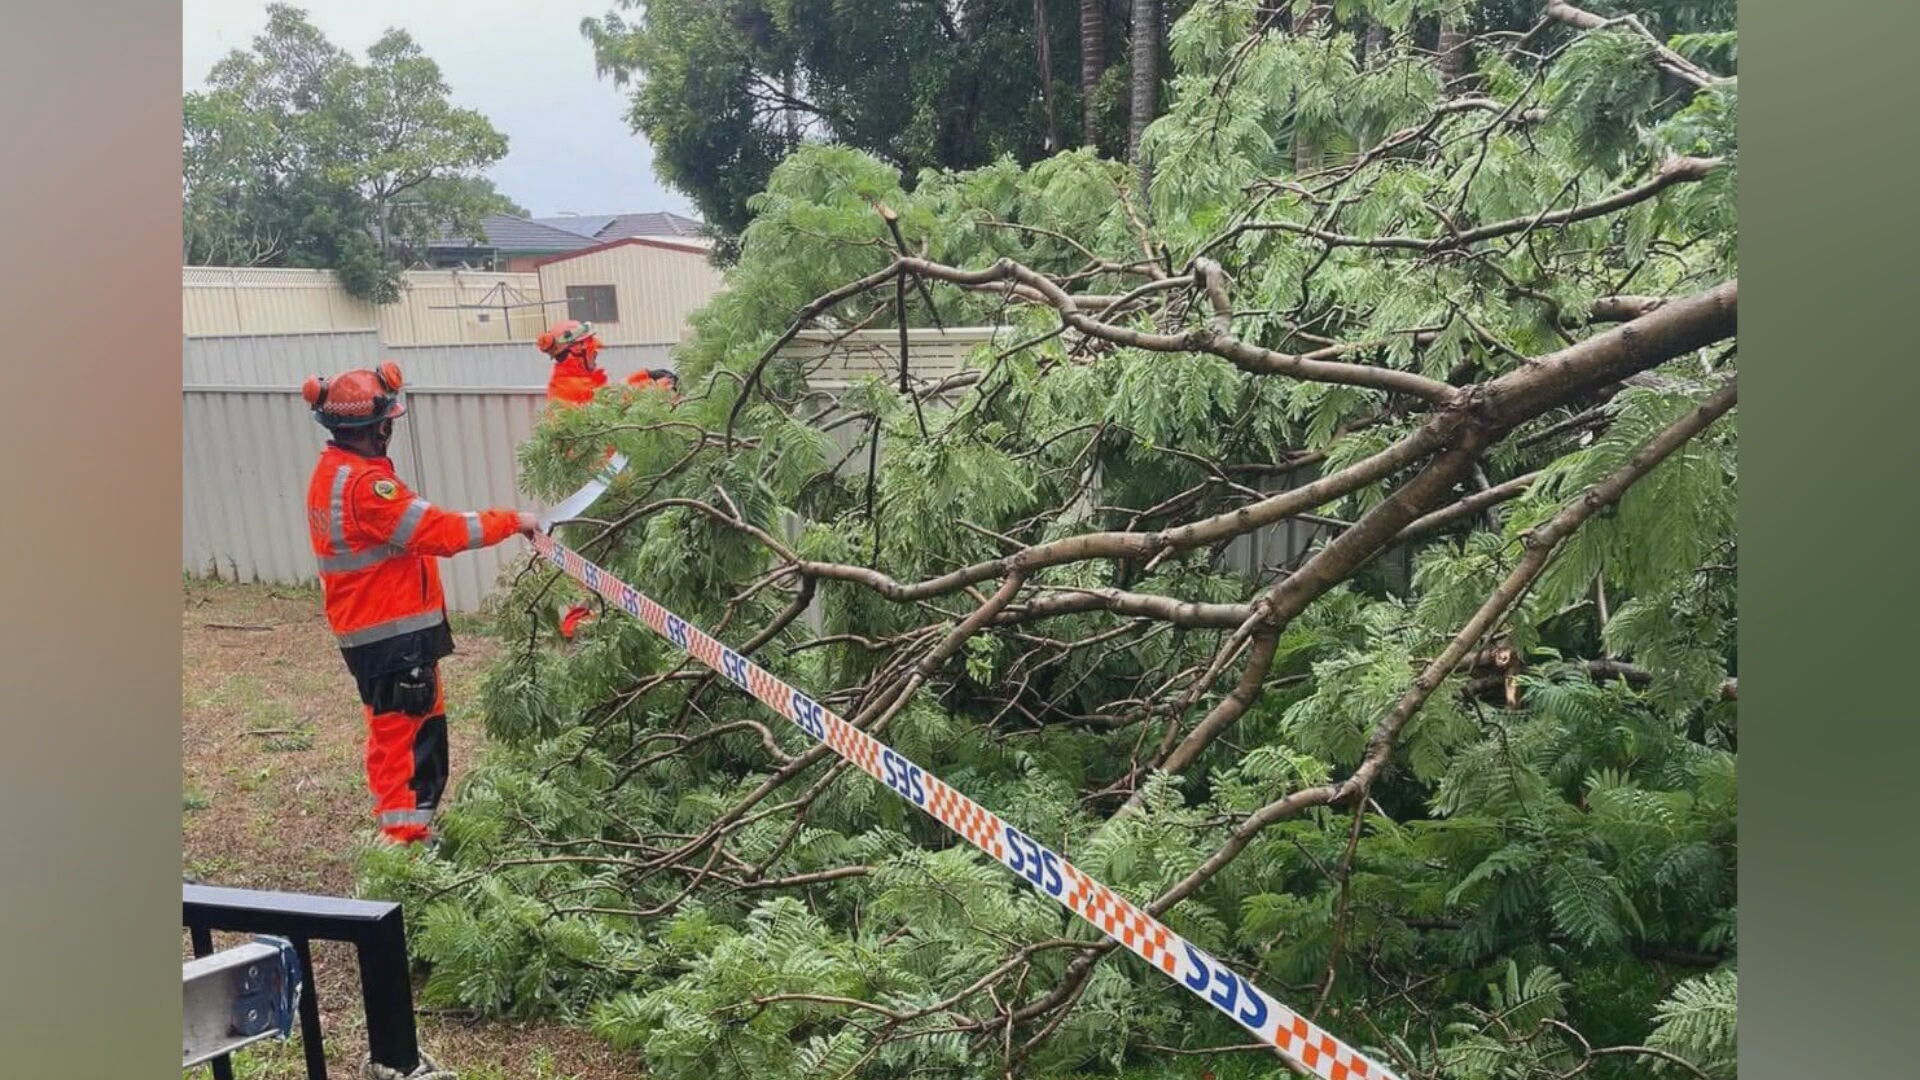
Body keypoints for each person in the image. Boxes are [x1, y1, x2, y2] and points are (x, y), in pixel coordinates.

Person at [300, 362, 537, 845]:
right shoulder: (367, 486)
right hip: (394, 638)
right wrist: (515, 520)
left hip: (376, 635)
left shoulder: (332, 474)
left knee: (395, 739)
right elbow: (441, 532)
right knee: (412, 748)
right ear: (379, 426)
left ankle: (405, 836)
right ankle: (406, 848)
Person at [538, 319, 608, 406]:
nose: (595, 352)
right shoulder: (570, 388)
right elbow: (609, 407)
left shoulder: (566, 382)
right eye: (591, 345)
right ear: (577, 349)